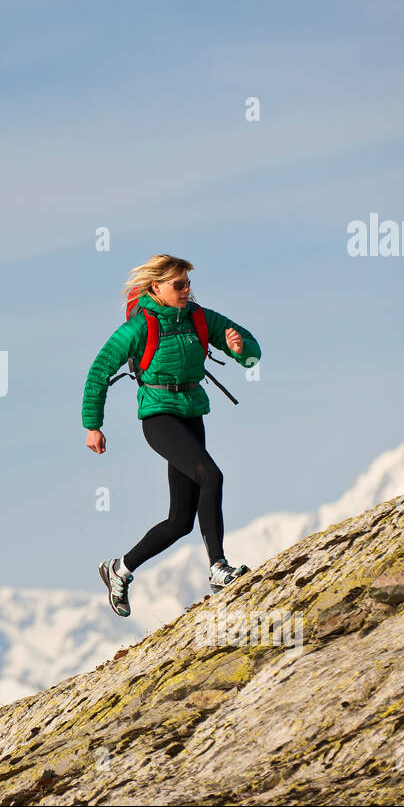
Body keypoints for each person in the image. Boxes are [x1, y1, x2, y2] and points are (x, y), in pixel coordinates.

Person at [81, 254, 262, 617]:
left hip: (192, 413)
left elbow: (252, 350)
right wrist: (93, 425)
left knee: (180, 521)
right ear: (156, 288)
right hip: (159, 418)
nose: (186, 290)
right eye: (178, 284)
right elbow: (99, 370)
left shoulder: (199, 318)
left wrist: (242, 352)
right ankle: (218, 568)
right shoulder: (139, 328)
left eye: (187, 284)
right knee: (211, 475)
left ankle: (119, 569)